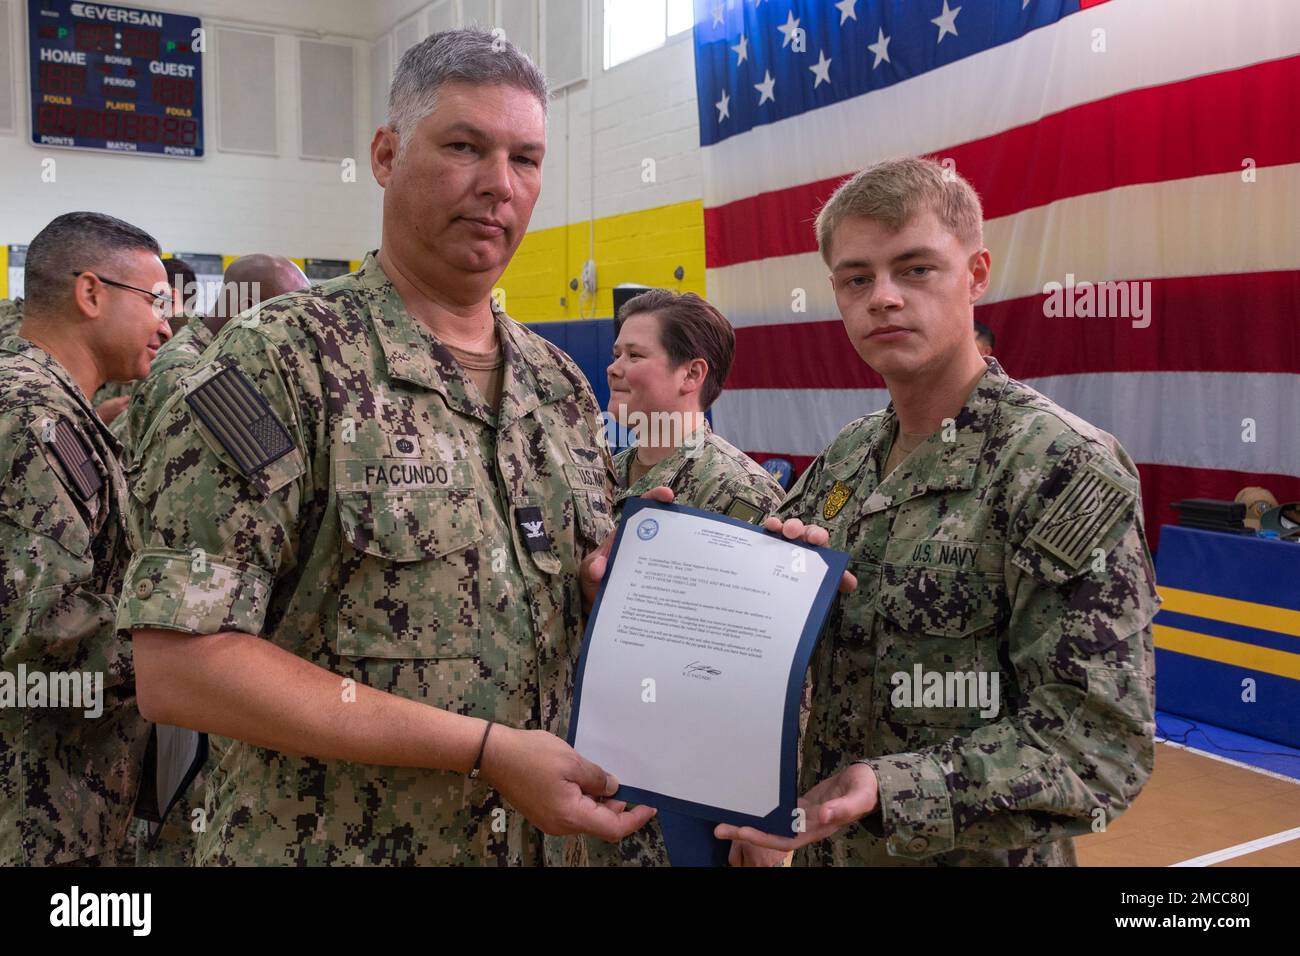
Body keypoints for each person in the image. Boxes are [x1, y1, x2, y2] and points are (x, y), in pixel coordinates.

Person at [116, 29, 657, 866]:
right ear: (384, 153)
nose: (498, 186)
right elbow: (182, 666)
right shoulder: (276, 361)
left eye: (526, 158)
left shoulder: (559, 385)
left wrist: (677, 584)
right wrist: (483, 749)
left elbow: (558, 616)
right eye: (464, 146)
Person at [717, 157, 1158, 866]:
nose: (883, 298)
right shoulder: (846, 459)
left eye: (915, 269)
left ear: (976, 274)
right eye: (857, 278)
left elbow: (1098, 744)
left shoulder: (1058, 466)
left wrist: (893, 790)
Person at [590, 288, 784, 867]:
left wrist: (758, 813)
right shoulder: (594, 478)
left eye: (634, 355)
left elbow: (774, 668)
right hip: (596, 773)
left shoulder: (742, 494)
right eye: (615, 352)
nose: (614, 368)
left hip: (690, 800)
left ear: (690, 374)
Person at [0, 211, 170, 865]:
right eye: (154, 301)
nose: (165, 324)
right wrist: (186, 655)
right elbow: (50, 626)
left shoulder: (51, 408)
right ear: (91, 293)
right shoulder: (32, 417)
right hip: (43, 815)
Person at [120, 253, 309, 459]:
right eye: (288, 317)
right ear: (249, 309)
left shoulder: (223, 356)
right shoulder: (185, 371)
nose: (295, 331)